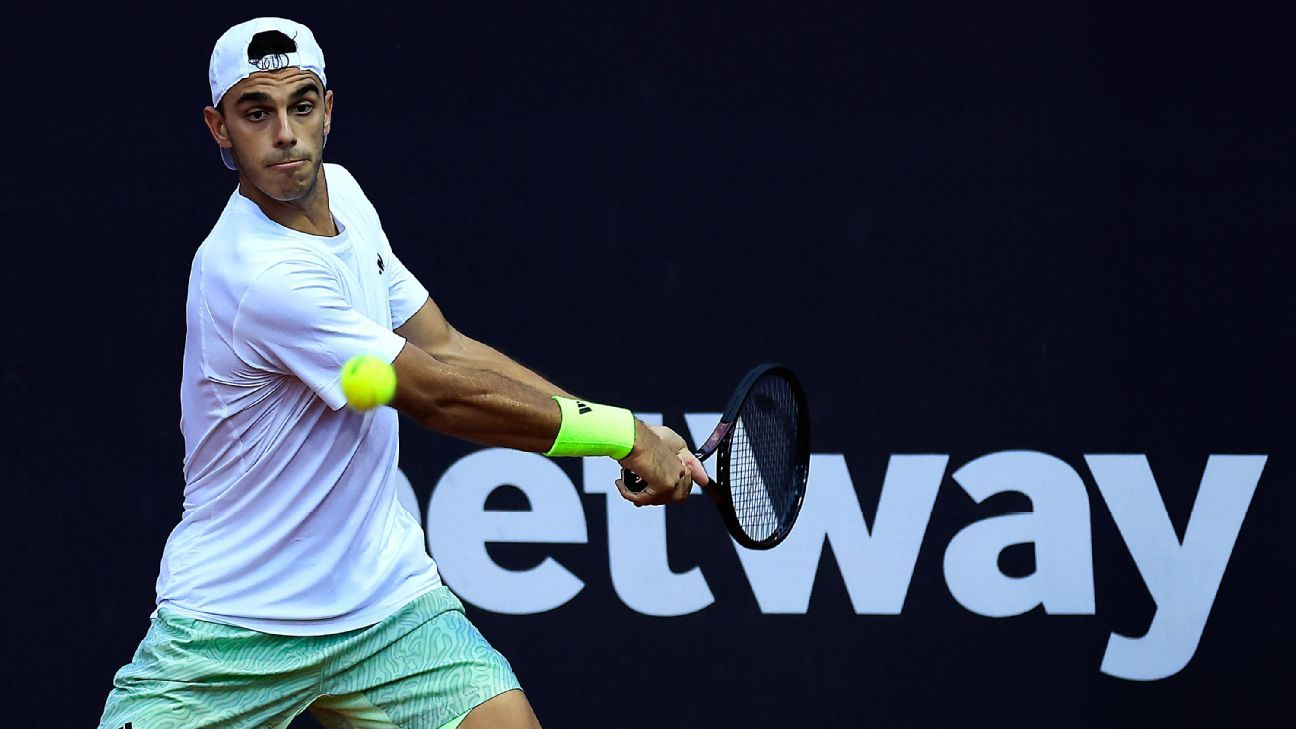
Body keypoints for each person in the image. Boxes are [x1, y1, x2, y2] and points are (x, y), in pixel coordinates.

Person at [97, 17, 706, 729]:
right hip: (236, 624)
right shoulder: (256, 273)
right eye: (256, 113)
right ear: (219, 128)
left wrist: (621, 432)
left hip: (383, 606)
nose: (285, 134)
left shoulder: (345, 196)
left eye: (301, 105)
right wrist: (622, 435)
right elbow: (437, 396)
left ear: (328, 109)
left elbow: (444, 346)